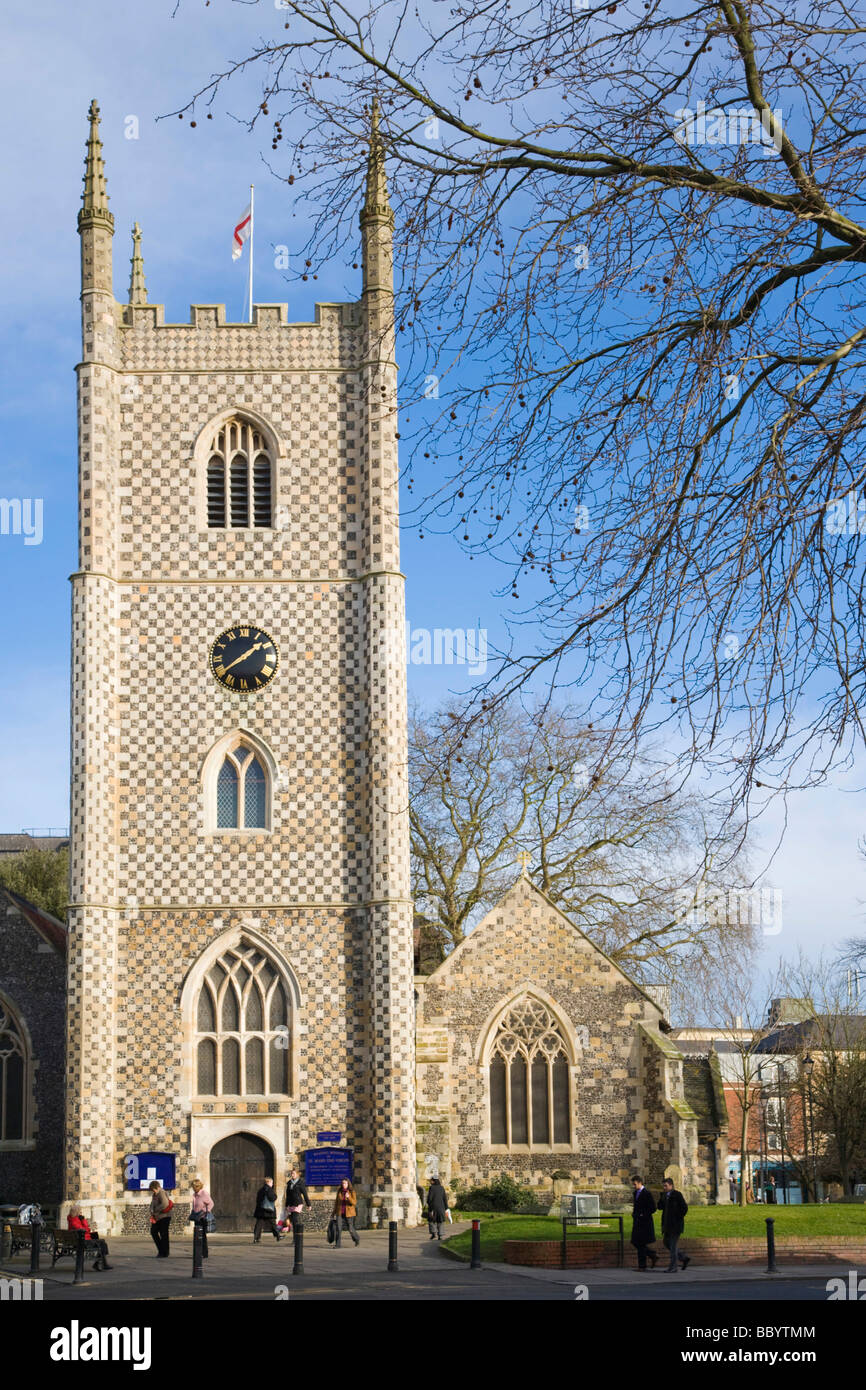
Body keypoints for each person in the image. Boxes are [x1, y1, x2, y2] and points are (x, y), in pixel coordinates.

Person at [658, 1177, 690, 1272]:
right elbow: (659, 1207)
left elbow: (684, 1208)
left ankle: (673, 1267)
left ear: (671, 1185)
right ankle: (683, 1257)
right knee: (666, 1243)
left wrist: (677, 1218)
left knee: (672, 1246)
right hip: (667, 1225)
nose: (664, 1188)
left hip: (675, 1225)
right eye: (663, 1186)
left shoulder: (677, 1195)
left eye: (666, 1186)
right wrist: (661, 1198)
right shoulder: (664, 1196)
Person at [67, 1203, 112, 1271]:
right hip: (82, 1242)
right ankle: (100, 1264)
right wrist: (83, 1220)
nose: (81, 1212)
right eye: (80, 1211)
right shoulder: (74, 1221)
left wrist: (83, 1221)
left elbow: (86, 1229)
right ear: (76, 1212)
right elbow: (85, 1230)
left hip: (81, 1240)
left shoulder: (73, 1219)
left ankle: (101, 1263)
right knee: (102, 1244)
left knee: (102, 1243)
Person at [630, 1174, 658, 1270]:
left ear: (640, 1183)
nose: (634, 1186)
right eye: (633, 1184)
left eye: (635, 1184)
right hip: (637, 1221)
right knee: (635, 1242)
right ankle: (652, 1255)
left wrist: (643, 1214)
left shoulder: (647, 1193)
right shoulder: (635, 1193)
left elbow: (653, 1208)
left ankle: (642, 1266)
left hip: (645, 1223)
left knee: (640, 1244)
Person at [284, 1167, 312, 1242]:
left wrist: (308, 1204)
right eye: (291, 1173)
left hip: (298, 1203)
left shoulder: (300, 1183)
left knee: (295, 1219)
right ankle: (294, 1238)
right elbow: (288, 1195)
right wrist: (286, 1205)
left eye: (293, 1173)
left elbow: (305, 1194)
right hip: (291, 1204)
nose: (292, 1175)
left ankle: (297, 1238)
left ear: (297, 1174)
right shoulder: (289, 1183)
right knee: (293, 1221)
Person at [331, 1178, 360, 1247]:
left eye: (345, 1183)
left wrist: (349, 1197)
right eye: (343, 1183)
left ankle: (356, 1238)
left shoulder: (352, 1191)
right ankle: (338, 1244)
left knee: (350, 1229)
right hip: (340, 1213)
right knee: (338, 1228)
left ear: (348, 1184)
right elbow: (336, 1203)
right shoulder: (339, 1191)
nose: (344, 1184)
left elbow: (354, 1203)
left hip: (349, 1213)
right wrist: (333, 1213)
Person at [148, 1180, 173, 1258]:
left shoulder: (161, 1192)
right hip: (157, 1217)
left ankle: (164, 1252)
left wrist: (156, 1210)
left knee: (164, 1234)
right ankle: (161, 1250)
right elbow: (152, 1203)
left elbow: (165, 1204)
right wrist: (151, 1210)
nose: (153, 1191)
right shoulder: (154, 1194)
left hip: (165, 1216)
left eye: (154, 1189)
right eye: (152, 1190)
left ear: (157, 1187)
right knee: (153, 1232)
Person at [189, 1178, 213, 1259]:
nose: (192, 1188)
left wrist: (204, 1212)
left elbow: (211, 1204)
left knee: (202, 1236)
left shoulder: (203, 1193)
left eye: (193, 1187)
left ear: (197, 1186)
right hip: (197, 1217)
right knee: (197, 1236)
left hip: (202, 1218)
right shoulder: (195, 1194)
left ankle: (204, 1253)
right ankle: (197, 1253)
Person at [253, 1177, 282, 1242]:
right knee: (272, 1223)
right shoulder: (269, 1189)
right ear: (268, 1182)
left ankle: (256, 1238)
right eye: (272, 1182)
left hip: (260, 1210)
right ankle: (278, 1236)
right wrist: (275, 1196)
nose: (272, 1184)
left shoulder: (261, 1190)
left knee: (259, 1224)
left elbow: (258, 1200)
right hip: (268, 1210)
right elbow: (272, 1198)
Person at [426, 1176, 449, 1240]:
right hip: (441, 1207)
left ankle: (434, 1233)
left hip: (433, 1207)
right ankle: (440, 1235)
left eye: (431, 1180)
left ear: (433, 1181)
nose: (430, 1181)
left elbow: (430, 1198)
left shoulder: (432, 1188)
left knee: (431, 1220)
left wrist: (429, 1206)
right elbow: (445, 1198)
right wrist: (446, 1208)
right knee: (440, 1221)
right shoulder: (442, 1188)